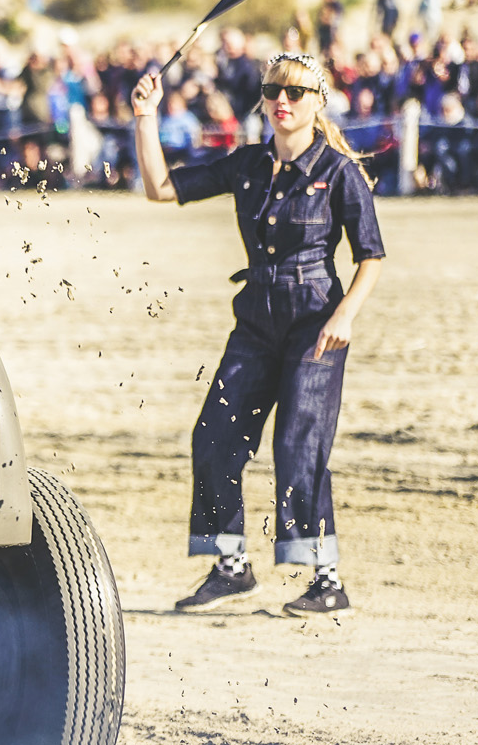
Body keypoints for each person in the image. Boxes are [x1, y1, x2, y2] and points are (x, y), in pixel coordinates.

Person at [132, 53, 385, 615]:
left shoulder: (339, 171)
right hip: (254, 321)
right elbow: (161, 188)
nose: (282, 101)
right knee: (214, 437)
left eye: (295, 92)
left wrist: (345, 317)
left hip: (314, 322)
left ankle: (326, 579)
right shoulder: (246, 163)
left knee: (299, 445)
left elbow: (371, 255)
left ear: (318, 102)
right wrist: (146, 119)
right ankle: (231, 568)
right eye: (273, 90)